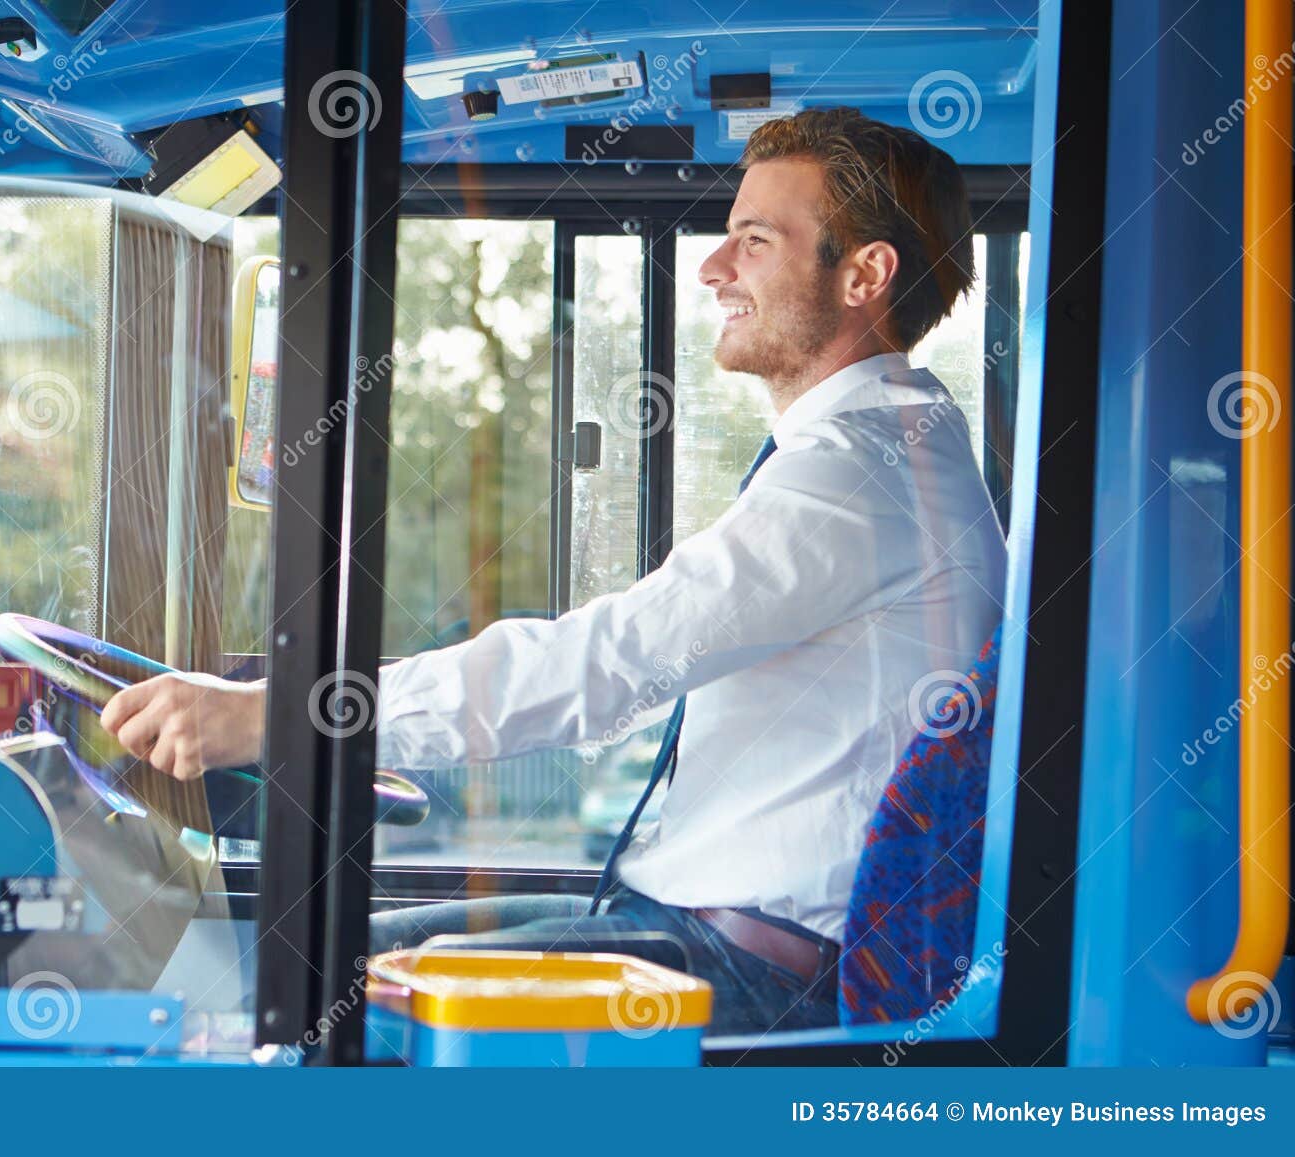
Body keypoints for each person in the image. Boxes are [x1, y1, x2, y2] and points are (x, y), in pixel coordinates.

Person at [100, 107, 1008, 1035]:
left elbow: (604, 663)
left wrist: (279, 715)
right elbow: (637, 669)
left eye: (754, 241)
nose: (711, 268)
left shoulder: (857, 473)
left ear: (864, 274)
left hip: (745, 971)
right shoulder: (890, 449)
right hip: (689, 925)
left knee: (300, 1003)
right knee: (304, 962)